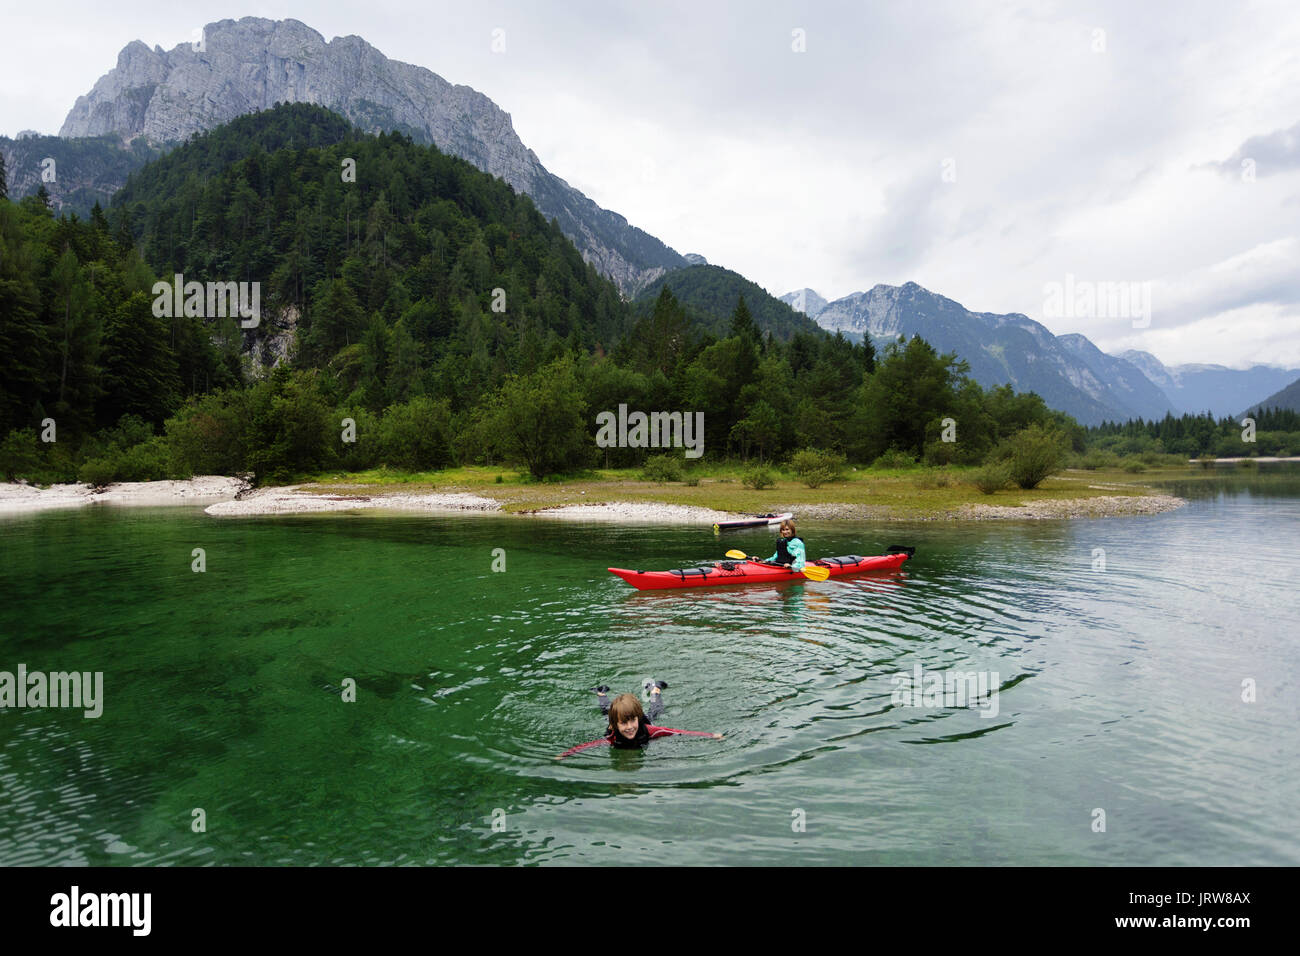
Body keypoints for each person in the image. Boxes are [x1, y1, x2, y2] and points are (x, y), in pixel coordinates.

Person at [556, 681, 723, 758]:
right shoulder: (612, 735)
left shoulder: (646, 729)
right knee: (606, 711)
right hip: (614, 719)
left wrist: (709, 735)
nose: (629, 727)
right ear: (615, 725)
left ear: (637, 719)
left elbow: (678, 732)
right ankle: (600, 692)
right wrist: (565, 754)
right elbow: (588, 745)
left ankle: (655, 689)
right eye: (624, 723)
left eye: (631, 721)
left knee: (656, 710)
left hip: (644, 721)